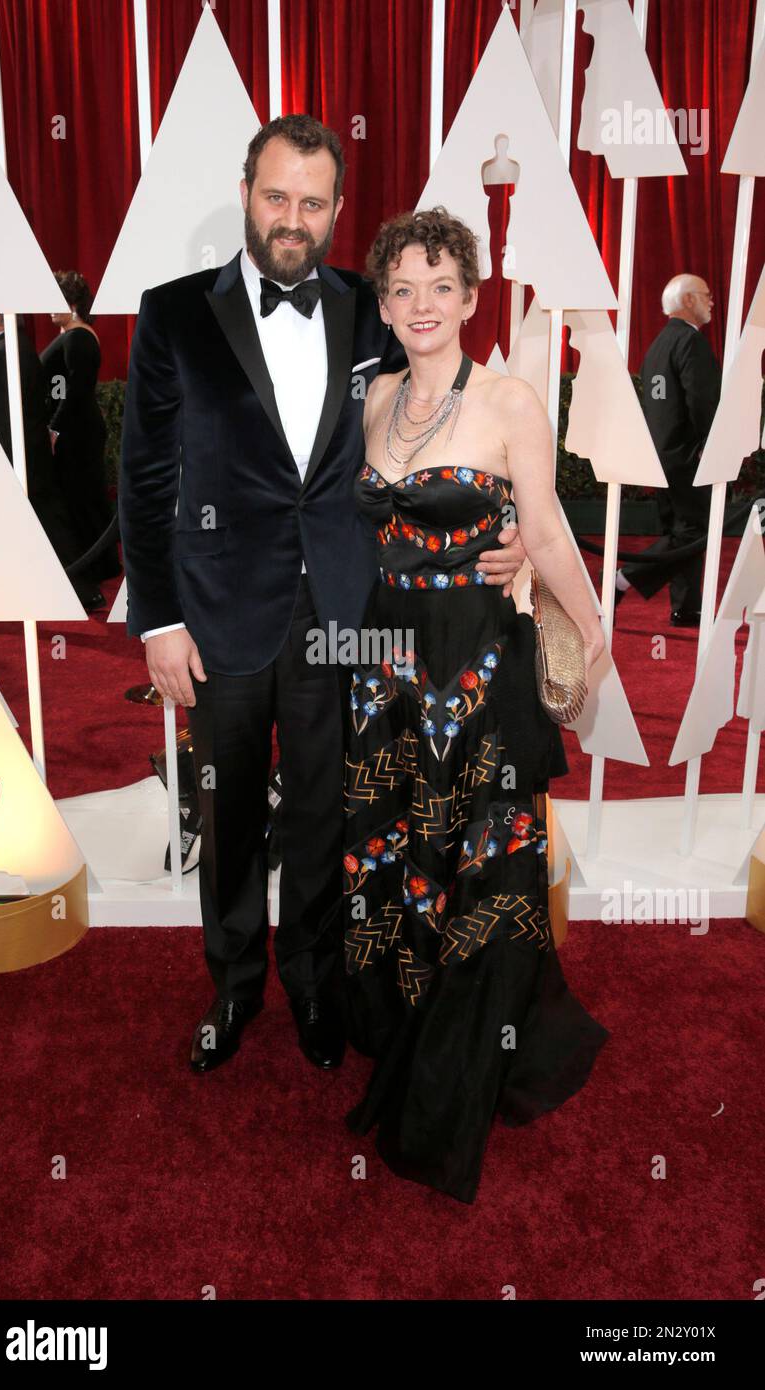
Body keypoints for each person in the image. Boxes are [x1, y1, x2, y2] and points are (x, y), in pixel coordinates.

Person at [118, 115, 529, 1079]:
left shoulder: (365, 305)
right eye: (275, 196)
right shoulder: (172, 313)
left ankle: (308, 974)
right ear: (246, 195)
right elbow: (142, 480)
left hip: (344, 613)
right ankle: (232, 984)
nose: (292, 217)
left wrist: (496, 537)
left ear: (337, 210)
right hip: (214, 613)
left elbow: (440, 413)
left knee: (319, 803)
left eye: (312, 200)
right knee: (223, 810)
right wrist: (159, 619)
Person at [342, 207, 610, 1204]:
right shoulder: (367, 399)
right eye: (401, 287)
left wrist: (589, 628)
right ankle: (402, 1023)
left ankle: (460, 1068)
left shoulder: (507, 399)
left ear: (469, 295)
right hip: (381, 669)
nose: (421, 304)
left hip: (478, 671)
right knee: (399, 857)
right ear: (383, 300)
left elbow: (539, 526)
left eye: (440, 285)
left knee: (484, 872)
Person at [0, 292, 103, 611]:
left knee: (52, 527)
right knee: (50, 527)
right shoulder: (2, 350)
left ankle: (82, 590)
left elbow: (6, 416)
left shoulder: (8, 353)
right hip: (21, 460)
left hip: (21, 461)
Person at [615, 274, 720, 626]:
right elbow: (701, 399)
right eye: (706, 296)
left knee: (679, 532)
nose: (711, 302)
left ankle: (686, 607)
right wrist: (710, 443)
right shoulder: (690, 342)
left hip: (660, 456)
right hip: (688, 455)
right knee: (695, 532)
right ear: (687, 300)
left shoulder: (658, 344)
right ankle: (624, 579)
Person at [41, 270, 120, 584]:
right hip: (75, 430)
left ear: (71, 302)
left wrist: (54, 430)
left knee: (84, 496)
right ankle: (97, 565)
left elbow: (77, 389)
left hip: (77, 433)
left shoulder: (78, 336)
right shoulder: (71, 335)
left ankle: (99, 567)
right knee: (83, 496)